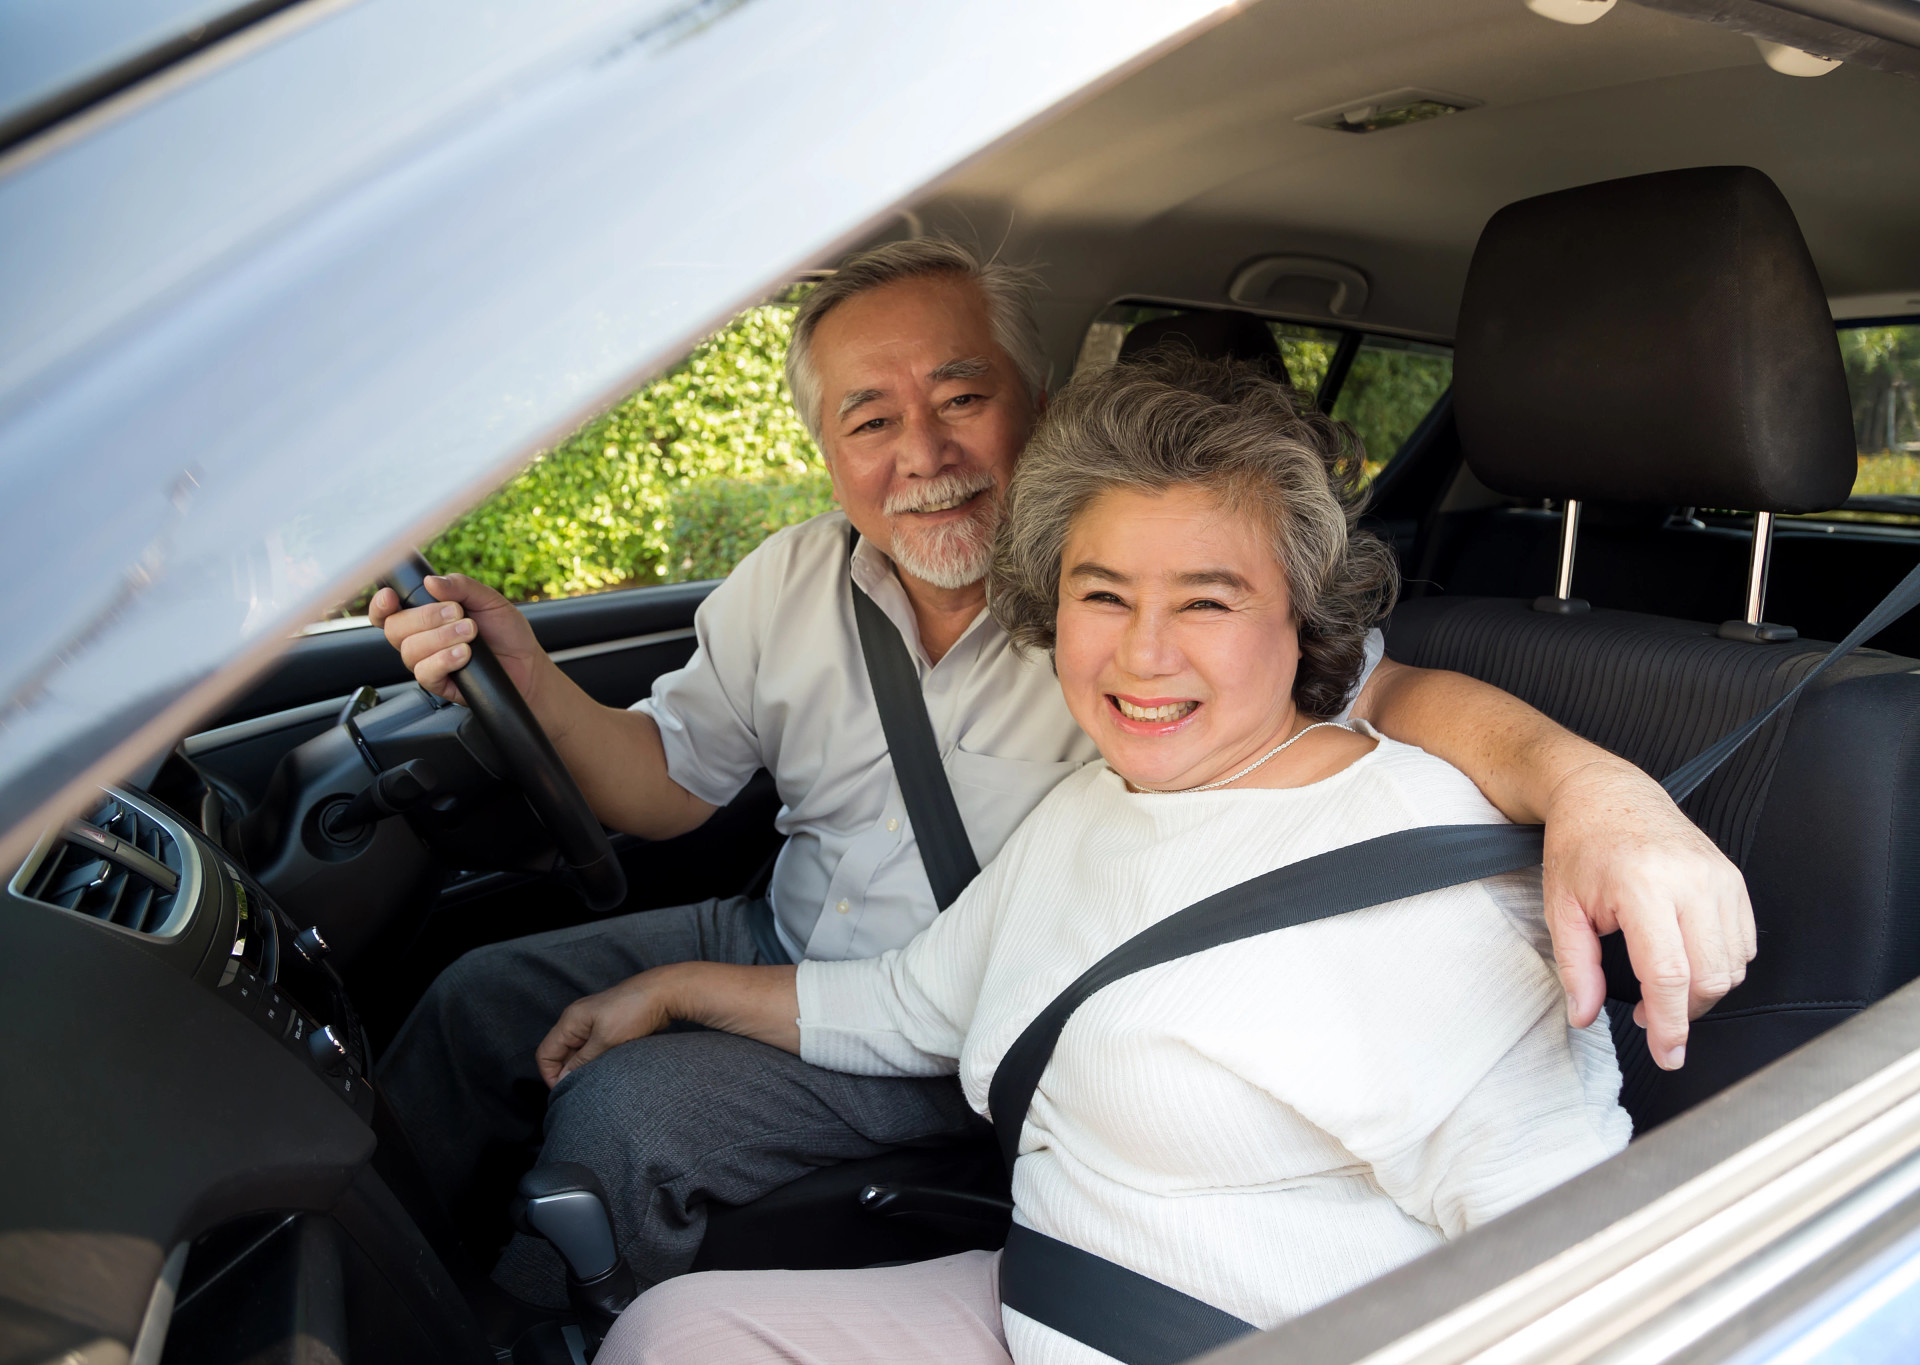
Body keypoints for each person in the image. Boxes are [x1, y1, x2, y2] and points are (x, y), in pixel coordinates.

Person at [368, 238, 1746, 1304]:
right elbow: (666, 785)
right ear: (823, 449)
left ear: (1034, 401)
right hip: (793, 938)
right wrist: (531, 678)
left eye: (962, 396)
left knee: (621, 1112)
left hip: (990, 1008)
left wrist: (1596, 792)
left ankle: (542, 1318)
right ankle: (392, 1289)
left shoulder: (1152, 607)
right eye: (869, 420)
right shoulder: (788, 580)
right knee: (477, 1000)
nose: (925, 455)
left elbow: (1391, 696)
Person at [585, 353, 1632, 1364]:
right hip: (1035, 1303)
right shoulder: (1098, 802)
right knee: (673, 1336)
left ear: (1302, 617)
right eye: (1102, 595)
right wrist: (682, 989)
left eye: (1205, 601)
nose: (1141, 655)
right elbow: (912, 1002)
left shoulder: (1418, 880)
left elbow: (1574, 1278)